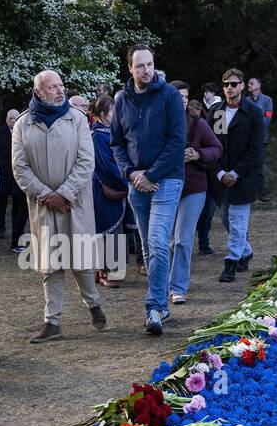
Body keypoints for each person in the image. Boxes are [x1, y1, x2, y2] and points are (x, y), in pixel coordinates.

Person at [12, 70, 106, 342]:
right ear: (38, 92)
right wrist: (46, 195)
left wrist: (64, 194)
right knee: (50, 265)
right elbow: (20, 167)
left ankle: (94, 305)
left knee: (81, 260)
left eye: (61, 85)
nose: (59, 90)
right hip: (44, 207)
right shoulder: (23, 124)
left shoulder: (77, 119)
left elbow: (86, 162)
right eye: (52, 87)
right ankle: (52, 322)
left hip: (74, 204)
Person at [110, 43, 186, 336]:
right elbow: (117, 142)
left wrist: (151, 174)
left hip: (166, 179)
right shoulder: (121, 99)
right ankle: (160, 305)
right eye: (140, 65)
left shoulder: (168, 96)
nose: (146, 70)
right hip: (136, 182)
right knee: (147, 244)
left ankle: (154, 307)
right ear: (130, 68)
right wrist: (131, 173)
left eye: (150, 64)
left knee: (156, 241)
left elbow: (177, 142)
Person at [169, 89, 222, 304]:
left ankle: (178, 287)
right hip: (165, 187)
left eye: (185, 95)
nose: (181, 99)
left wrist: (198, 154)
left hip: (193, 188)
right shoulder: (160, 120)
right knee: (167, 241)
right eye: (177, 95)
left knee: (182, 239)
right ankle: (163, 284)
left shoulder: (198, 122)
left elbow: (217, 148)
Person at [211, 70, 262, 283]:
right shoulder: (217, 112)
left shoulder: (253, 113)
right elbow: (215, 145)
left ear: (242, 86)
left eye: (233, 84)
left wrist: (236, 173)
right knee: (226, 219)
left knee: (237, 220)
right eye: (225, 84)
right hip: (222, 178)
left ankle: (230, 262)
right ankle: (246, 251)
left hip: (244, 177)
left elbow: (255, 149)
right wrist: (221, 172)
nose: (229, 88)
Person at [89, 96, 129, 287]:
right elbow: (106, 166)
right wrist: (127, 181)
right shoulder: (98, 135)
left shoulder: (113, 132)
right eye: (112, 111)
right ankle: (102, 270)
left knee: (116, 229)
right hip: (103, 186)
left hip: (117, 185)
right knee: (105, 228)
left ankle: (112, 270)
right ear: (102, 114)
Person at [0, 108, 22, 247]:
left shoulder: (23, 132)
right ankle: (0, 227)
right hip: (2, 173)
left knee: (18, 204)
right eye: (10, 118)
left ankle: (16, 229)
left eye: (15, 118)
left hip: (18, 174)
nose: (13, 121)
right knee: (1, 203)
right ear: (6, 119)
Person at [247, 77, 273, 202]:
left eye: (251, 83)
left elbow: (267, 120)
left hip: (261, 140)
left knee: (259, 166)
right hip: (247, 140)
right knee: (248, 165)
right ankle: (249, 192)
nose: (249, 85)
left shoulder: (267, 100)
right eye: (248, 83)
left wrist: (253, 123)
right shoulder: (246, 101)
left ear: (259, 85)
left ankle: (261, 192)